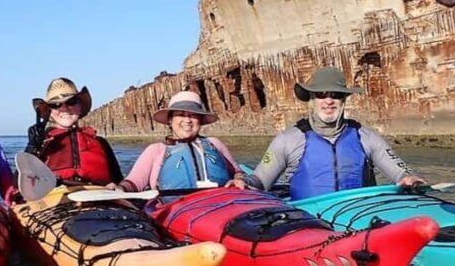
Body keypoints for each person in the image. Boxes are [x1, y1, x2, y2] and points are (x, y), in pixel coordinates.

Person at [245, 66, 426, 201]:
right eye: (321, 95)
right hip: (308, 224)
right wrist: (244, 182)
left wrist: (408, 177)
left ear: (344, 100)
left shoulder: (367, 138)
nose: (329, 101)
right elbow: (259, 181)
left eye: (336, 95)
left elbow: (401, 172)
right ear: (312, 100)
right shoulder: (287, 140)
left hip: (360, 219)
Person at [107, 91, 247, 198]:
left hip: (220, 203)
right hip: (174, 210)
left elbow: (238, 172)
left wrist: (238, 180)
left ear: (200, 120)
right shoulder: (156, 150)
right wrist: (120, 189)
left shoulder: (215, 144)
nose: (187, 120)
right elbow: (134, 182)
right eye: (180, 114)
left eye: (193, 115)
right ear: (170, 120)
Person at [25, 77, 123, 186]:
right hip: (56, 199)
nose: (64, 108)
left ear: (80, 106)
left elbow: (118, 181)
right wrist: (31, 148)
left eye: (71, 102)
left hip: (97, 196)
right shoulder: (42, 143)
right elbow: (19, 184)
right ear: (49, 111)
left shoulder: (100, 142)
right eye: (56, 104)